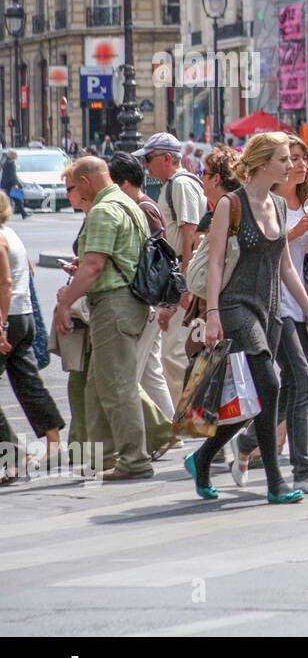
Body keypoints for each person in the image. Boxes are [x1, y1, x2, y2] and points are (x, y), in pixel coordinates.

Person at [184, 132, 308, 503]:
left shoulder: (278, 205)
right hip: (236, 305)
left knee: (254, 398)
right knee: (271, 383)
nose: (293, 165)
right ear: (263, 164)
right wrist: (213, 313)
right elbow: (215, 261)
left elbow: (285, 267)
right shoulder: (231, 205)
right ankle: (276, 483)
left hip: (271, 307)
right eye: (284, 159)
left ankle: (202, 458)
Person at [232, 137, 308, 494]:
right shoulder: (267, 204)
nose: (297, 165)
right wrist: (297, 230)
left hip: (301, 301)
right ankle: (303, 471)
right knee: (302, 384)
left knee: (291, 389)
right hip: (274, 305)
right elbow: (272, 252)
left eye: (301, 159)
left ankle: (247, 442)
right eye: (289, 159)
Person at [52, 158, 153, 481]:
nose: (74, 194)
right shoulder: (127, 203)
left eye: (73, 187)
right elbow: (110, 258)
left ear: (85, 181)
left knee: (117, 386)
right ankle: (104, 454)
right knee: (98, 383)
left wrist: (65, 303)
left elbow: (95, 265)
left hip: (114, 303)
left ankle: (134, 459)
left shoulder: (102, 210)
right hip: (129, 301)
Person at [107, 152, 179, 456]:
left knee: (129, 374)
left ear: (123, 184)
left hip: (145, 298)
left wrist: (164, 303)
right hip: (151, 299)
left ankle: (134, 443)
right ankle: (171, 431)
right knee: (150, 371)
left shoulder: (141, 209)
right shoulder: (143, 206)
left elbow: (154, 261)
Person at [0, 191, 65, 483]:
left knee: (27, 383)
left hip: (7, 318)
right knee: (28, 383)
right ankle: (54, 442)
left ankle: (13, 456)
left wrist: (1, 324)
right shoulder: (11, 234)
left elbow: (5, 281)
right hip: (22, 316)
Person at [139, 132, 206, 407]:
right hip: (181, 270)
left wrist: (185, 281)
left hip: (182, 271)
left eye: (149, 159)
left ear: (167, 158)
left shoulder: (179, 183)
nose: (146, 166)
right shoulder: (173, 184)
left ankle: (187, 411)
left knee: (174, 352)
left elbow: (190, 228)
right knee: (172, 350)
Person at [1, 150, 26, 220]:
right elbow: (13, 175)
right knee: (16, 199)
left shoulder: (5, 161)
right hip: (10, 185)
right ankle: (23, 213)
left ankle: (24, 213)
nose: (17, 156)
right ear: (12, 155)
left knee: (13, 199)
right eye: (15, 155)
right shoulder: (11, 163)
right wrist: (15, 184)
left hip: (5, 184)